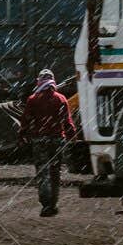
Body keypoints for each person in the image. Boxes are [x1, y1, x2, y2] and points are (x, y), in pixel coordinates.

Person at [19, 68, 76, 217]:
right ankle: (53, 203)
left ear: (39, 81)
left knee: (43, 172)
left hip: (40, 140)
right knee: (55, 172)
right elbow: (67, 121)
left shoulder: (33, 99)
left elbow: (26, 120)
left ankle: (45, 204)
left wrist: (23, 134)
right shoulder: (61, 98)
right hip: (58, 140)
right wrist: (72, 135)